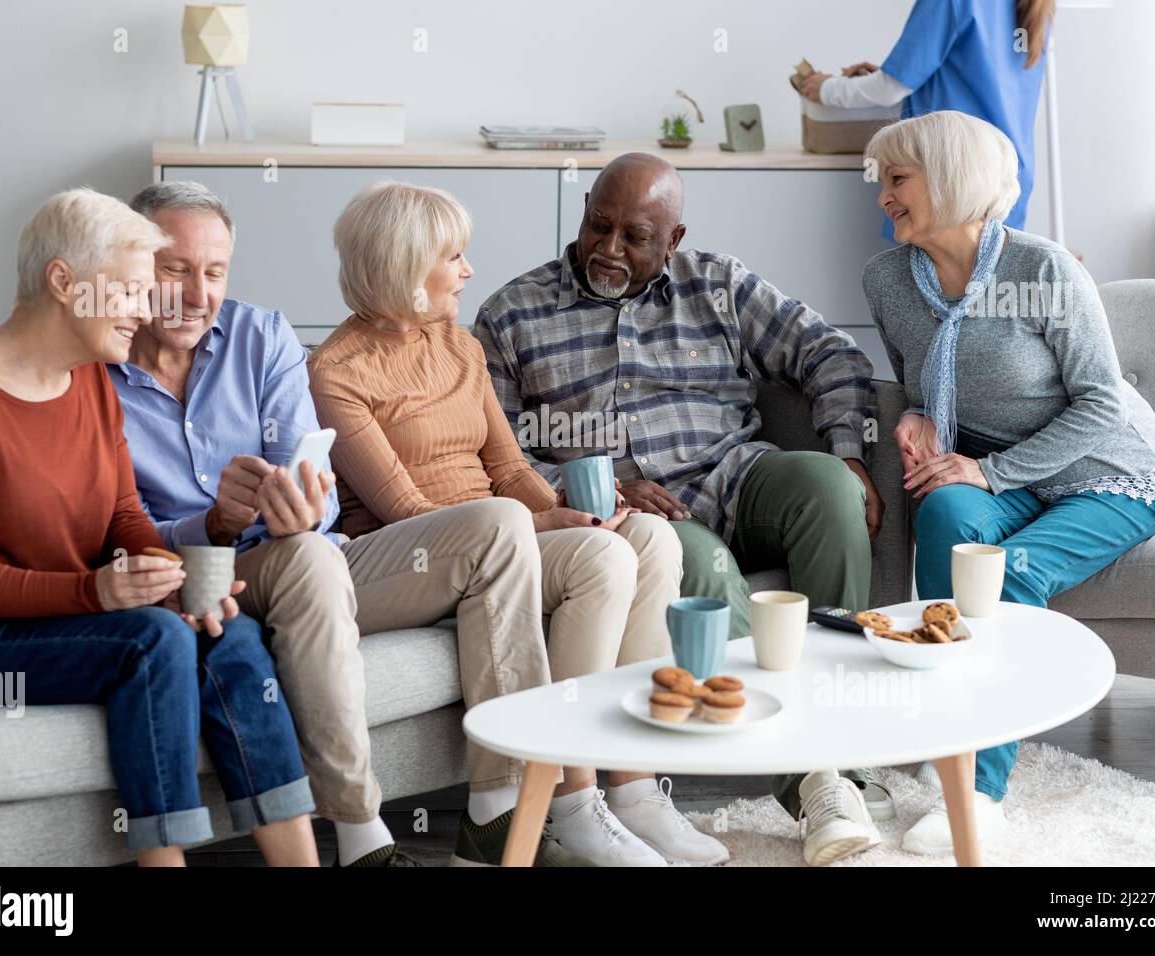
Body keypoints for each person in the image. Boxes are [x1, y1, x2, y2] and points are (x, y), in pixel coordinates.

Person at [112, 181, 561, 867]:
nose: (197, 294)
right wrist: (212, 522)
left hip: (298, 557)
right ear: (132, 262)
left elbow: (314, 485)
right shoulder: (97, 374)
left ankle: (499, 815)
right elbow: (104, 529)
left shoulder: (261, 336)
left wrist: (304, 501)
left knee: (494, 526)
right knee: (311, 560)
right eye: (175, 269)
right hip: (190, 575)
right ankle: (361, 836)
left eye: (214, 271)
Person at [472, 152, 893, 866]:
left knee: (827, 489)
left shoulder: (720, 285)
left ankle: (832, 757)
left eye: (634, 236)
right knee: (696, 559)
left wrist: (849, 451)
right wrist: (588, 484)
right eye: (596, 225)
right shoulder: (513, 314)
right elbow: (494, 453)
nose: (607, 248)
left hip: (735, 474)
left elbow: (828, 351)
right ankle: (809, 771)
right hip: (639, 518)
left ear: (673, 238)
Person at [309, 180, 729, 867]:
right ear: (405, 265)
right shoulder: (335, 372)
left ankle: (632, 786)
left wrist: (576, 515)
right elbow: (407, 512)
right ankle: (568, 796)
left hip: (495, 537)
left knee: (646, 538)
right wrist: (538, 525)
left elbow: (509, 471)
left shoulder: (459, 346)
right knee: (588, 554)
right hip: (404, 559)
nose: (470, 270)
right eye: (454, 256)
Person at [0, 188, 317, 866]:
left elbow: (122, 514)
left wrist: (183, 583)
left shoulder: (90, 383)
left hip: (75, 618)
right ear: (63, 283)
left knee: (228, 633)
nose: (147, 308)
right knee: (152, 640)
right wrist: (95, 594)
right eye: (132, 290)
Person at [863, 110, 1155, 856]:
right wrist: (914, 413)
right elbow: (923, 379)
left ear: (950, 179)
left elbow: (1102, 402)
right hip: (1002, 474)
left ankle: (977, 792)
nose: (882, 197)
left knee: (1002, 581)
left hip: (1108, 473)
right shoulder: (885, 279)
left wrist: (992, 469)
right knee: (942, 512)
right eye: (882, 181)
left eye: (897, 179)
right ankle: (948, 736)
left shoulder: (1043, 270)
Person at [799, 0, 1053, 237]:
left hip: (947, 177)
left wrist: (827, 89)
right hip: (1003, 178)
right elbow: (981, 81)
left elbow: (891, 88)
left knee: (936, 282)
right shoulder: (1036, 7)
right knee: (987, 280)